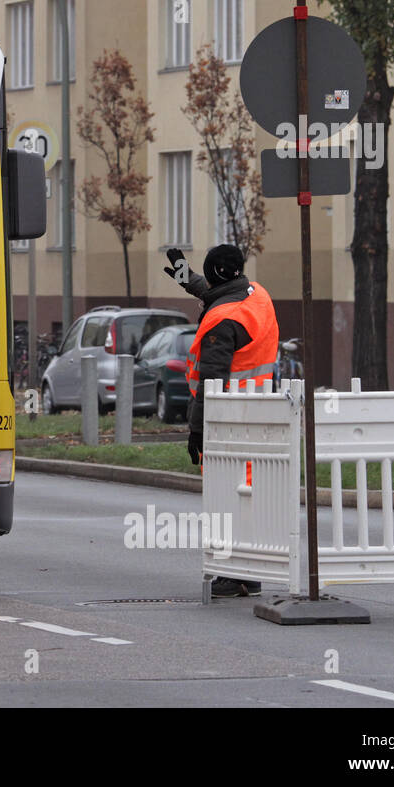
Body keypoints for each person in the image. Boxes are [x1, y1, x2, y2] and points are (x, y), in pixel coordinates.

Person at [164, 243, 279, 598]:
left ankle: (234, 572)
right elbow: (215, 291)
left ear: (215, 274)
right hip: (258, 412)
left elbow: (211, 383)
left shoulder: (221, 322)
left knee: (226, 498)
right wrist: (185, 276)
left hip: (227, 418)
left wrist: (196, 431)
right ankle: (249, 571)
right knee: (247, 494)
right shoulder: (255, 295)